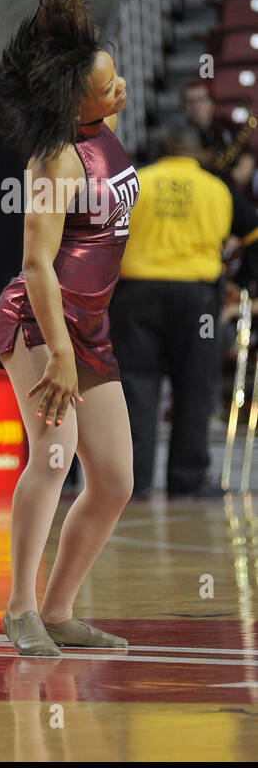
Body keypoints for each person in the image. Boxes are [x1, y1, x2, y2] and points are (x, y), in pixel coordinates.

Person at [0, 0, 137, 656]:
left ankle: (62, 609)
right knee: (51, 456)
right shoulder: (53, 159)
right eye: (108, 84)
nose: (121, 86)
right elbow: (37, 263)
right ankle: (21, 608)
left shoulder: (102, 136)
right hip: (41, 322)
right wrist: (60, 353)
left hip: (91, 326)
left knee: (115, 479)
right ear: (75, 97)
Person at [111, 117, 255, 497]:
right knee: (194, 385)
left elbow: (101, 234)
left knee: (136, 388)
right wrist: (245, 280)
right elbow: (254, 231)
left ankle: (134, 482)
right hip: (196, 300)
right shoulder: (217, 188)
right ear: (201, 153)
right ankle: (187, 480)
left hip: (135, 296)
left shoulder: (135, 182)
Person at [182, 79, 255, 193]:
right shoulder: (179, 133)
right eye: (190, 101)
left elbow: (247, 158)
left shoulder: (228, 127)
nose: (196, 106)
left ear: (212, 103)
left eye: (201, 100)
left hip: (228, 190)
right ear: (184, 107)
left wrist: (232, 179)